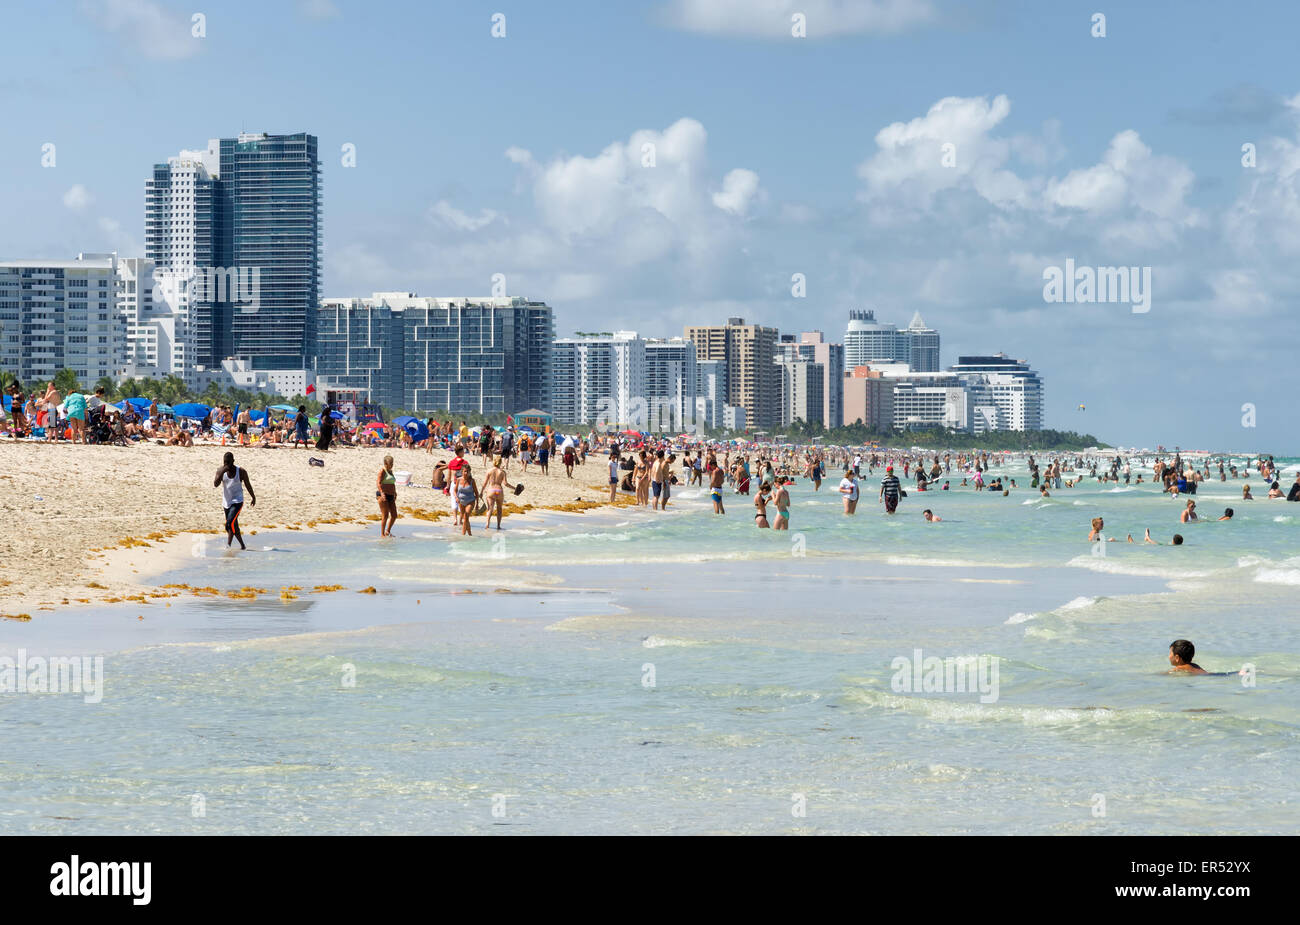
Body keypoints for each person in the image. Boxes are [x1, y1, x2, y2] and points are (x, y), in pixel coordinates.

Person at [213, 451, 255, 550]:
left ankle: (228, 545)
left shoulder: (241, 471)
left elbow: (248, 484)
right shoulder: (220, 471)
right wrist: (223, 472)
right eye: (225, 462)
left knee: (229, 523)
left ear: (233, 461)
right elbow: (215, 484)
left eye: (229, 462)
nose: (227, 464)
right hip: (226, 502)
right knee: (234, 525)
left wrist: (253, 496)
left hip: (237, 501)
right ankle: (243, 546)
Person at [482, 455, 516, 530]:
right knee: (499, 509)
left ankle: (487, 524)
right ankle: (498, 526)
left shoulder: (489, 471)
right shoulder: (502, 472)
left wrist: (481, 492)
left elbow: (485, 483)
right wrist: (514, 488)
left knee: (490, 508)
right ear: (500, 462)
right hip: (499, 490)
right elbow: (505, 483)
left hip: (491, 490)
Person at [376, 455, 398, 537]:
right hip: (383, 494)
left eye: (392, 463)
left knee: (394, 515)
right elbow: (378, 483)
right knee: (385, 515)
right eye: (390, 463)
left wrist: (395, 492)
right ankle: (382, 534)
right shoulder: (383, 471)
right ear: (385, 463)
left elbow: (392, 483)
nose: (392, 465)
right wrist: (381, 493)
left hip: (391, 494)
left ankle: (387, 531)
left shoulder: (390, 471)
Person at [454, 464, 478, 536]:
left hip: (470, 501)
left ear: (470, 472)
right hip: (461, 501)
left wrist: (477, 504)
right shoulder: (458, 480)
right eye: (464, 471)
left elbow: (476, 493)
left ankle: (463, 535)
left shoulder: (472, 481)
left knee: (466, 516)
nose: (466, 473)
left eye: (467, 472)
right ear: (462, 472)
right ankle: (470, 534)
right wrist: (456, 497)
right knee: (466, 518)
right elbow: (454, 490)